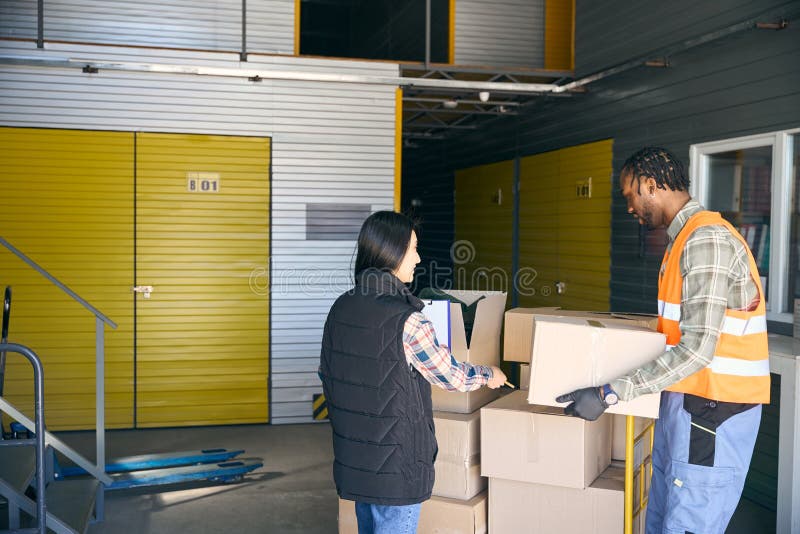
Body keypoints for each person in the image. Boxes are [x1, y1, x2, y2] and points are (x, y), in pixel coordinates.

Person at [557, 147, 769, 534]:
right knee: (662, 518)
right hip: (688, 405)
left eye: (629, 196)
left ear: (650, 185)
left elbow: (697, 349)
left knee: (688, 525)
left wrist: (609, 392)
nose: (629, 208)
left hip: (713, 412)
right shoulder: (682, 240)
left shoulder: (705, 239)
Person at [319, 211, 506, 534]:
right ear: (391, 252)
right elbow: (451, 376)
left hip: (357, 461)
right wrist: (489, 374)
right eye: (413, 249)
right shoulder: (408, 321)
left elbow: (327, 375)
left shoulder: (341, 308)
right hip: (397, 468)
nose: (418, 258)